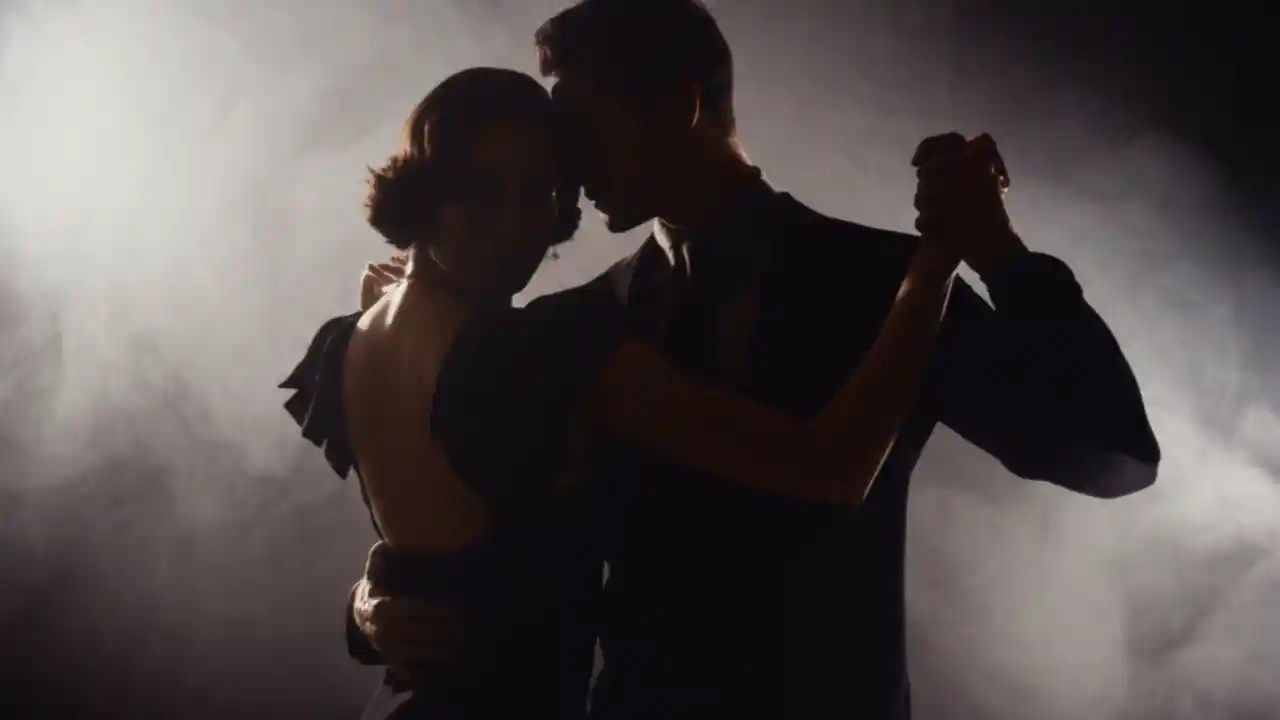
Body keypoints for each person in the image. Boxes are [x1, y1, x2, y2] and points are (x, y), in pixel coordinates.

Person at [347, 2, 1162, 717]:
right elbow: (487, 537)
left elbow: (1117, 455)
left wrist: (1001, 254)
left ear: (679, 106)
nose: (569, 166)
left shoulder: (886, 283)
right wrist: (371, 608)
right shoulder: (573, 322)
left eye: (583, 131)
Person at [282, 66, 962, 719]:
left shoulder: (350, 337)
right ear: (426, 192)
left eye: (539, 192)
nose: (514, 223)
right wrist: (934, 264)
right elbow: (831, 465)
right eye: (480, 191)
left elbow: (436, 549)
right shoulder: (541, 347)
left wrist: (368, 607)